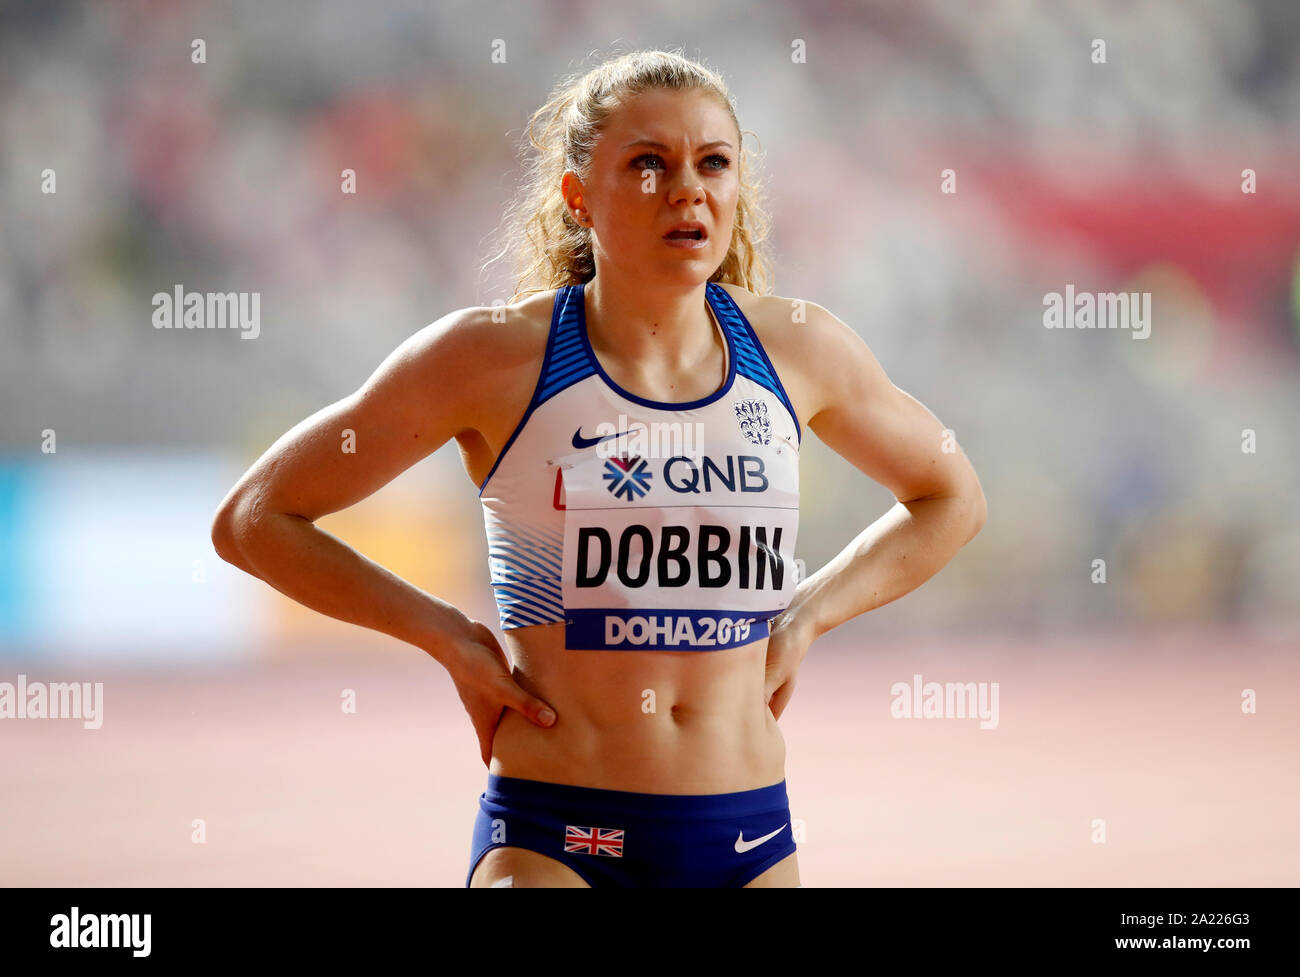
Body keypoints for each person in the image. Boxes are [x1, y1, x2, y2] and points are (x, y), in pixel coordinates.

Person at [210, 49, 986, 888]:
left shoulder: (800, 350)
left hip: (748, 834)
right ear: (579, 197)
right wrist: (443, 633)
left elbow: (951, 496)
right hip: (555, 835)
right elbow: (256, 519)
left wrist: (807, 615)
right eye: (648, 163)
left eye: (713, 162)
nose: (688, 188)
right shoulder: (493, 358)